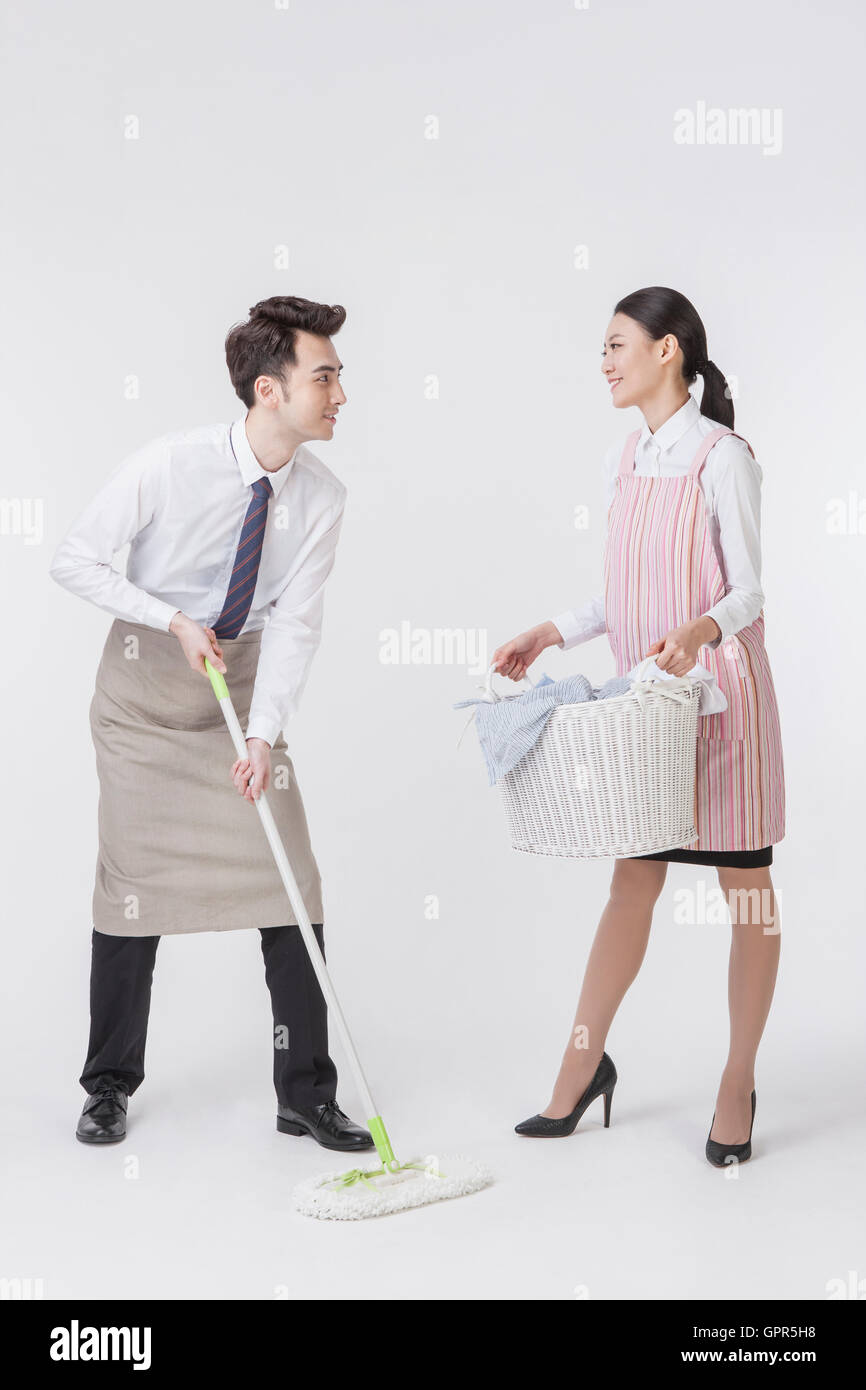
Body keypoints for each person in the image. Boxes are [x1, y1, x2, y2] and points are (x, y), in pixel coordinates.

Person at [50, 294, 373, 1155]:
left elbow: (297, 625)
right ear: (270, 390)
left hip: (245, 684)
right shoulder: (170, 464)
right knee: (131, 893)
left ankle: (305, 1092)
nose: (342, 394)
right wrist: (167, 619)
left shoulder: (323, 498)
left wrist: (263, 735)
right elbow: (73, 556)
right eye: (326, 376)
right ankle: (109, 1085)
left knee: (292, 887)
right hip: (145, 699)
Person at [493, 286, 784, 1167]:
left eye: (619, 344)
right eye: (603, 348)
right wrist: (553, 630)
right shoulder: (630, 457)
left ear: (670, 351)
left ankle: (737, 1083)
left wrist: (702, 629)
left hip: (723, 705)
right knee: (631, 887)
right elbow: (618, 591)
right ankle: (580, 1069)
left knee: (750, 896)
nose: (607, 361)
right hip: (648, 718)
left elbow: (750, 591)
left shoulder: (723, 457)